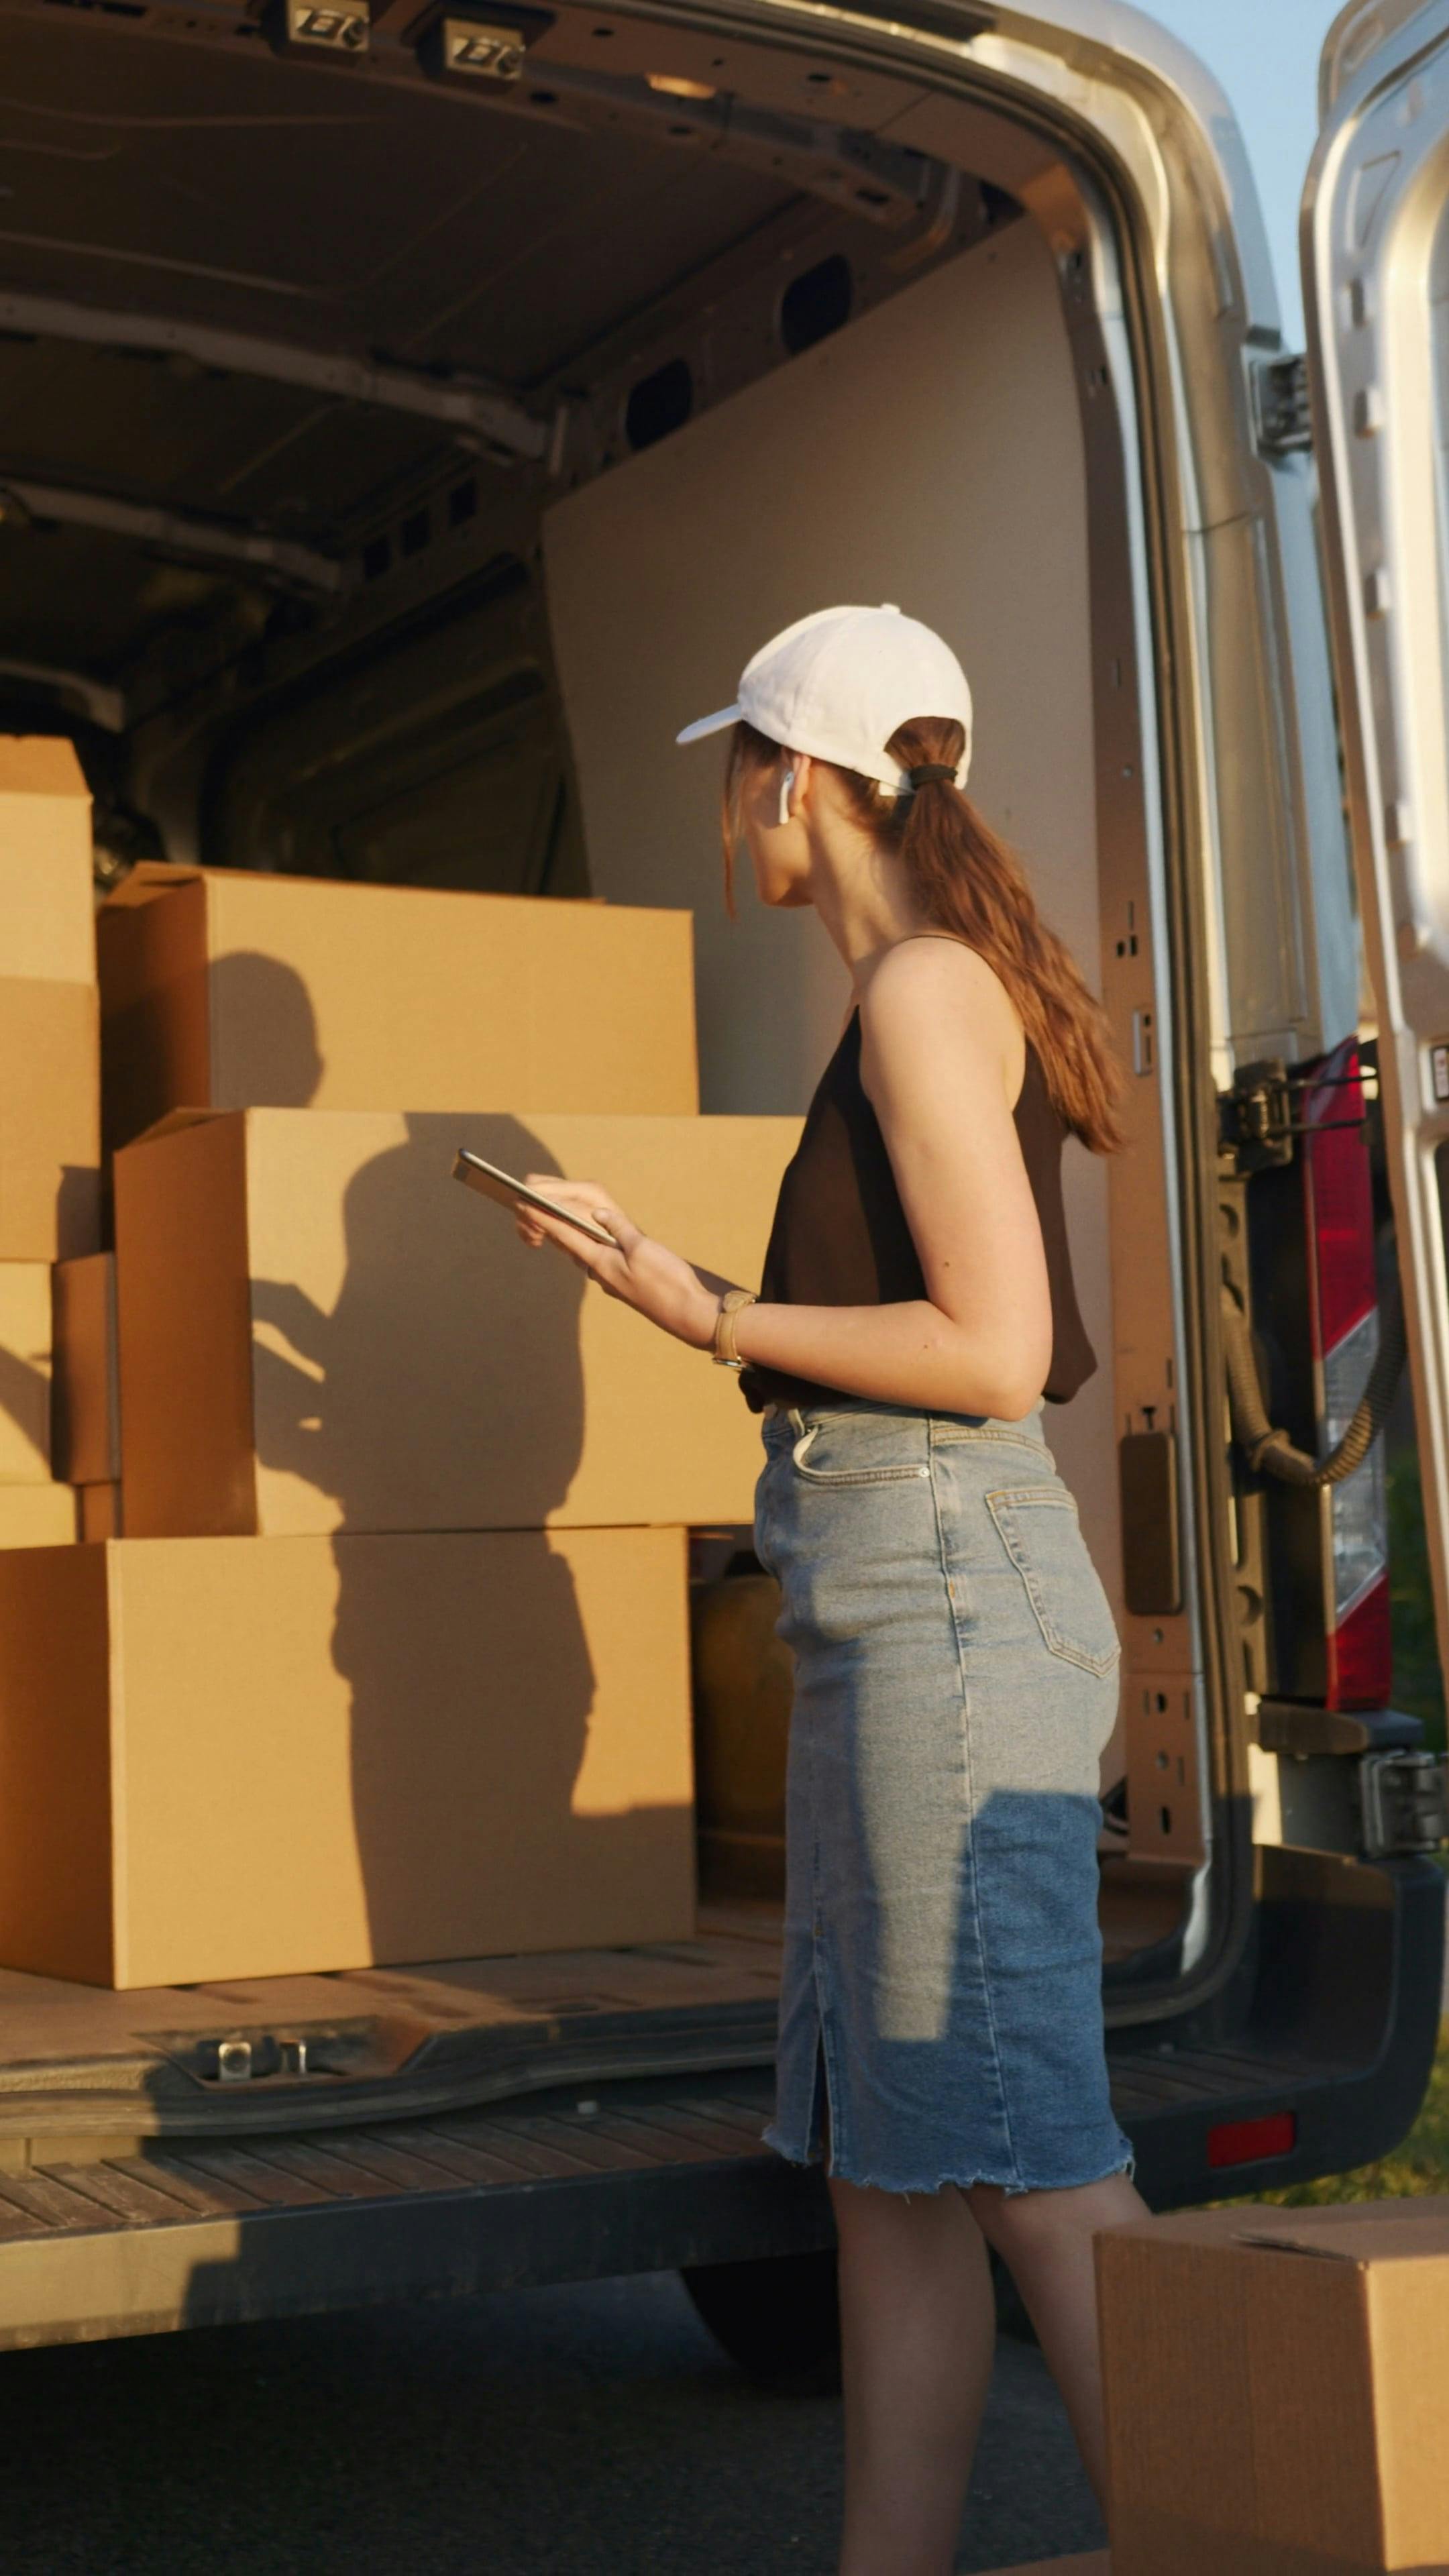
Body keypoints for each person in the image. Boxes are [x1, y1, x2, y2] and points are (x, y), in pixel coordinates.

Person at [513, 602, 1148, 2575]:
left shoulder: (922, 994)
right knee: (897, 2170)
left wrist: (706, 1308)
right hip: (900, 1595)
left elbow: (995, 1349)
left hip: (946, 1599)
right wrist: (682, 1284)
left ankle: (1252, 2531)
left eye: (738, 773)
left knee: (1029, 2160)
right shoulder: (931, 987)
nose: (731, 814)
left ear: (793, 777)